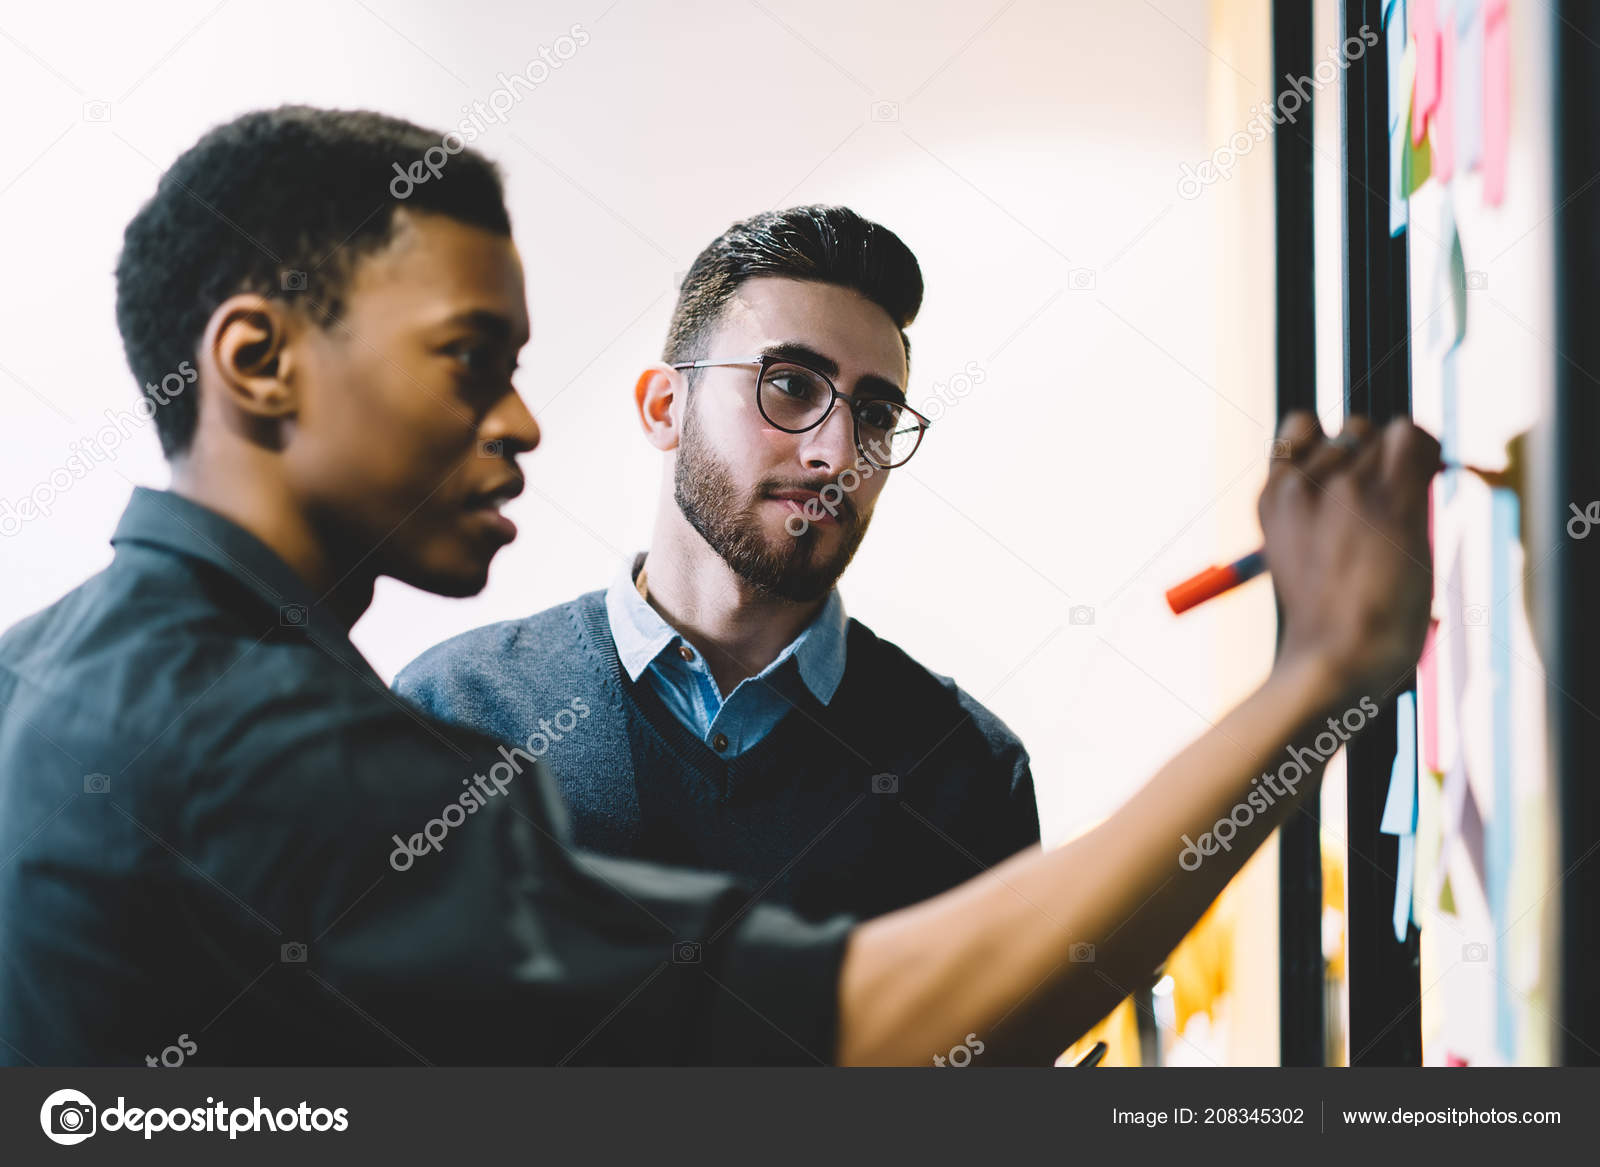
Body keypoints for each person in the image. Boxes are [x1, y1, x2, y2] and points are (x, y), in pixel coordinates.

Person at [0, 105, 1436, 1067]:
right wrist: (1319, 679)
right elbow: (857, 1022)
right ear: (255, 361)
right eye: (469, 361)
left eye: (873, 414)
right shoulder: (297, 736)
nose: (518, 423)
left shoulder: (50, 666)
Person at [395, 205, 1039, 923]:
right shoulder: (452, 713)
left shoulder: (968, 772)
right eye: (792, 385)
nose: (838, 455)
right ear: (666, 407)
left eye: (877, 414)